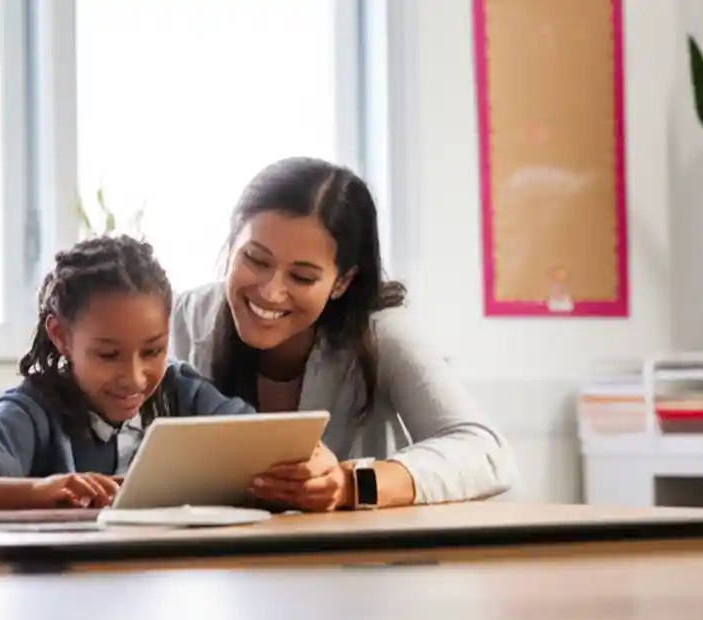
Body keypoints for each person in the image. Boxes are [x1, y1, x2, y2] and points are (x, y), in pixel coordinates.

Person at [171, 157, 518, 512]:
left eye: (302, 277)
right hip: (216, 560)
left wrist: (353, 484)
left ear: (341, 283)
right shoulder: (181, 321)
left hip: (355, 561)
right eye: (256, 260)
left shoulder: (381, 332)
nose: (271, 292)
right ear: (232, 244)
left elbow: (485, 451)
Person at [0, 235, 252, 517]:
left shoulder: (180, 392)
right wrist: (41, 491)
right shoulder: (33, 411)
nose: (134, 378)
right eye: (107, 354)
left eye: (152, 351)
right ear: (61, 337)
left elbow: (273, 444)